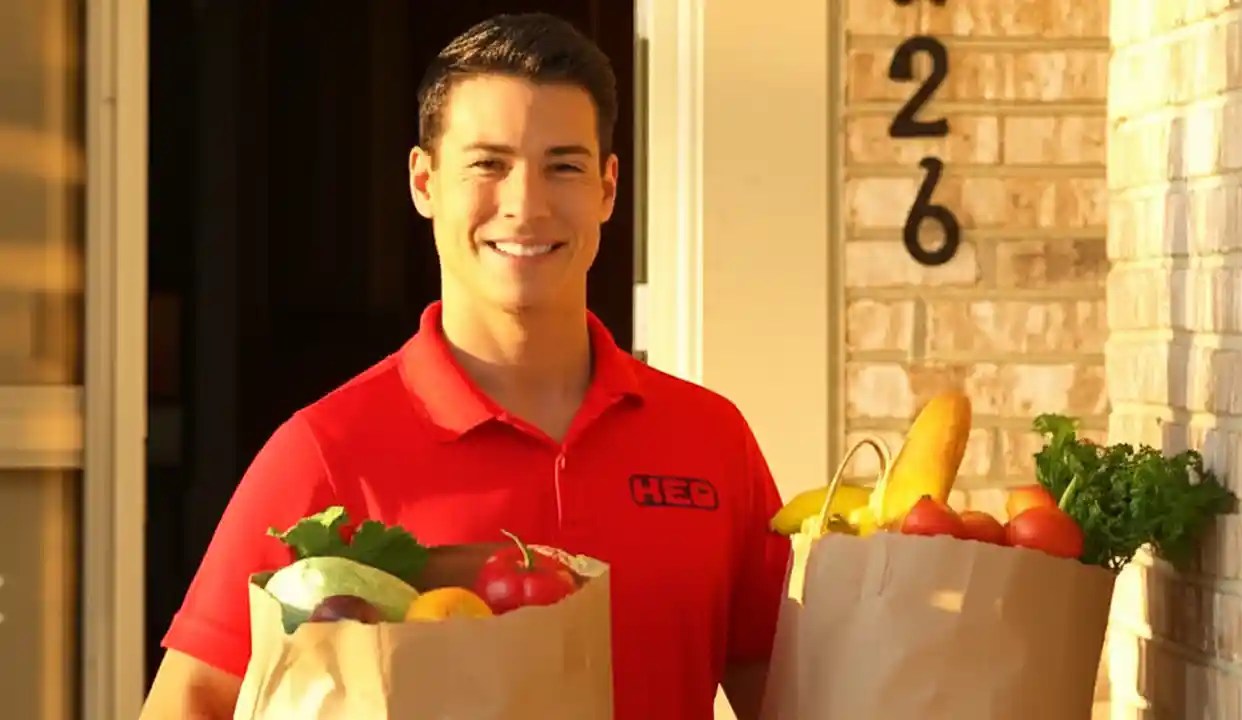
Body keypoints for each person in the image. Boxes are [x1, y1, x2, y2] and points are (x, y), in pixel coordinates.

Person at [140, 12, 789, 720]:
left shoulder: (710, 439)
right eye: (488, 164)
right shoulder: (328, 453)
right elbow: (189, 703)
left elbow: (785, 691)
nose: (526, 205)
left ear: (607, 188)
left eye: (564, 166)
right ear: (424, 182)